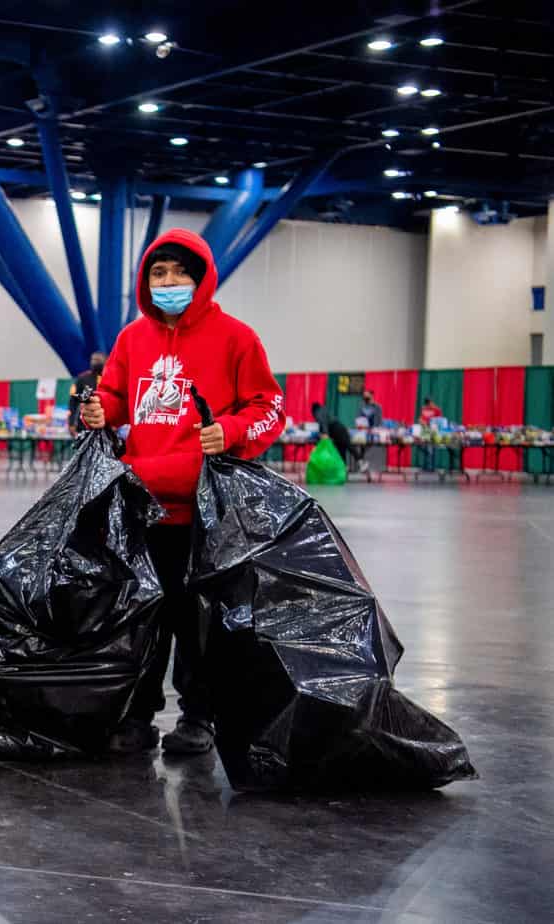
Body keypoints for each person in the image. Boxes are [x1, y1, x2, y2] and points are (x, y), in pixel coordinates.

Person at [81, 229, 283, 756]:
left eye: (180, 271)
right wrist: (101, 408)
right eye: (158, 272)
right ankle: (137, 714)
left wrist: (232, 432)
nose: (169, 281)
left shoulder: (237, 338)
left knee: (198, 622)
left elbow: (269, 407)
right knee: (142, 616)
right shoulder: (131, 339)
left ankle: (199, 716)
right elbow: (115, 395)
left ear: (202, 277)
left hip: (203, 511)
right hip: (140, 504)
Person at [67, 352, 107, 435]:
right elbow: (73, 401)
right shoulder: (82, 379)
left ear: (105, 361)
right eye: (93, 360)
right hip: (84, 425)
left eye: (98, 360)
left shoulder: (109, 378)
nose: (94, 362)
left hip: (106, 425)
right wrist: (71, 423)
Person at [313, 402, 358, 472]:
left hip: (337, 430)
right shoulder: (324, 410)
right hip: (339, 429)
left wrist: (325, 433)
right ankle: (344, 468)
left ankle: (360, 460)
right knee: (342, 449)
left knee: (348, 446)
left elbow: (323, 423)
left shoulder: (318, 412)